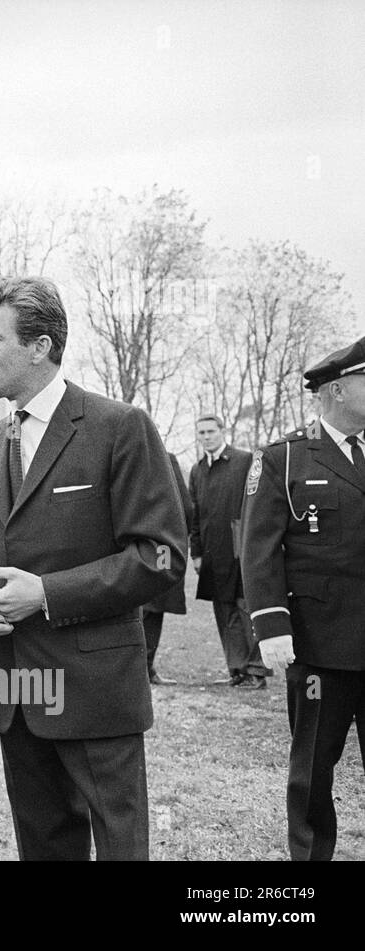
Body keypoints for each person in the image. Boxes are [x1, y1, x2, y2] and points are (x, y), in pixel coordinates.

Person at [0, 276, 185, 861]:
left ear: (39, 346)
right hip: (16, 689)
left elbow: (161, 558)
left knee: (119, 847)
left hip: (95, 689)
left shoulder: (120, 427)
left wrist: (46, 594)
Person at [240, 336, 365, 861]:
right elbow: (259, 551)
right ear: (337, 389)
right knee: (314, 767)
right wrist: (272, 626)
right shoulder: (283, 457)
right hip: (319, 645)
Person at [189, 415, 270, 688]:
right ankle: (237, 670)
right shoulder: (198, 470)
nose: (206, 436)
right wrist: (196, 553)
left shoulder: (244, 461)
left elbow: (258, 505)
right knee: (224, 613)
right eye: (202, 432)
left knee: (248, 609)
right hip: (213, 553)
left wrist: (252, 546)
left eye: (211, 431)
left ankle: (257, 672)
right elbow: (195, 516)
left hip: (241, 549)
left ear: (222, 431)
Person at [141, 452, 189, 686]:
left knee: (149, 607)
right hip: (159, 544)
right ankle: (145, 668)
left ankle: (145, 669)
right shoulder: (165, 458)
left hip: (141, 547)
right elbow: (185, 508)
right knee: (152, 607)